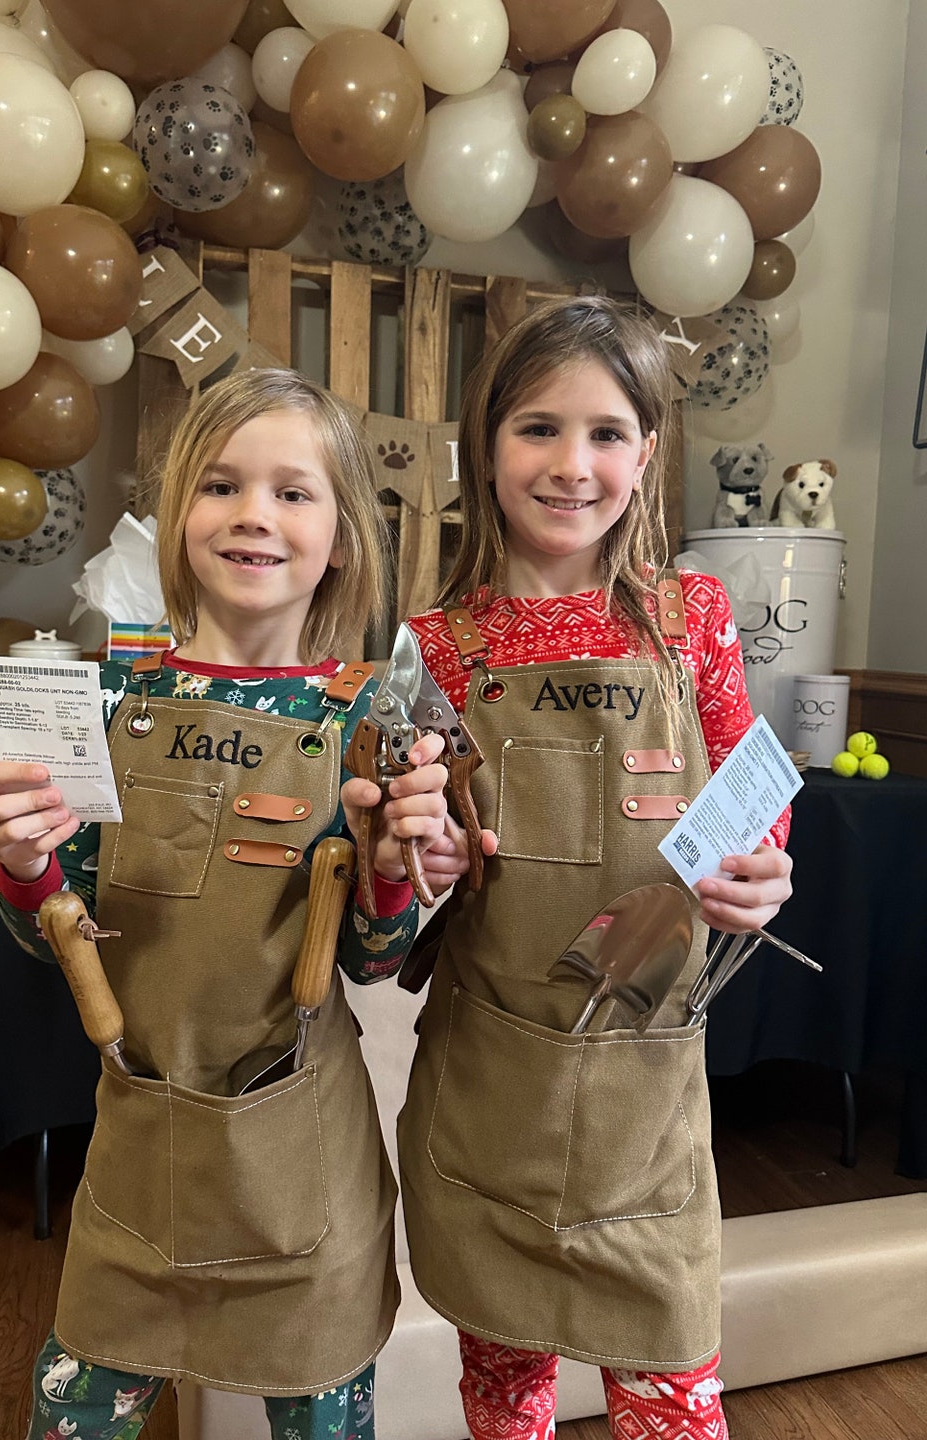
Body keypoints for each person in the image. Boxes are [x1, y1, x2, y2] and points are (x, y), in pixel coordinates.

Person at [0, 368, 452, 1440]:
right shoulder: (104, 704)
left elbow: (375, 960)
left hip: (304, 1164)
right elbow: (52, 936)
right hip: (141, 1151)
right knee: (75, 1409)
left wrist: (391, 865)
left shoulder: (373, 717)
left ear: (342, 535)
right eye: (221, 485)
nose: (253, 515)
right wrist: (23, 864)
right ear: (179, 514)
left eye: (293, 492)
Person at [398, 296, 794, 1440]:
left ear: (647, 453)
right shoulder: (434, 649)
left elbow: (754, 810)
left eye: (606, 432)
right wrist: (420, 857)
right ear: (486, 446)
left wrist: (762, 876)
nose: (573, 465)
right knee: (504, 1388)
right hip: (492, 1093)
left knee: (672, 1396)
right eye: (538, 428)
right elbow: (412, 875)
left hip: (645, 1107)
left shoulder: (693, 618)